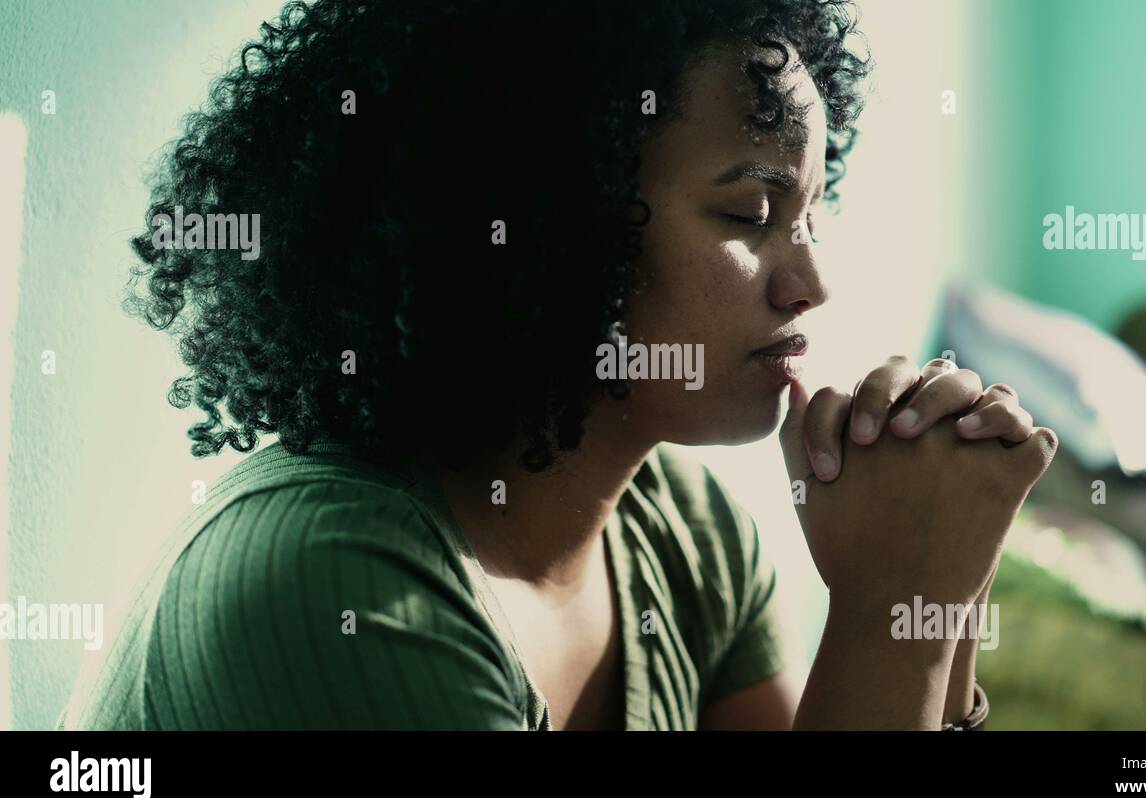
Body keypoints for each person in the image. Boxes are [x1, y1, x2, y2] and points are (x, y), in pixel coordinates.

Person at [60, 0, 1056, 731]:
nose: (811, 283)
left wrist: (941, 582)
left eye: (811, 213)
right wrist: (893, 604)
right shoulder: (331, 584)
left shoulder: (688, 534)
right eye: (750, 215)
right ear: (549, 219)